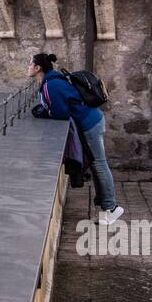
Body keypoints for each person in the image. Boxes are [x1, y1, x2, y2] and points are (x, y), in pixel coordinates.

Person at [29, 53, 124, 225]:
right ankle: (106, 208)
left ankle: (112, 207)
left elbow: (61, 113)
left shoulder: (51, 85)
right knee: (97, 164)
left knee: (99, 164)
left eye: (30, 64)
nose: (28, 67)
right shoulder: (53, 81)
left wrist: (45, 113)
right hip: (92, 121)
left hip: (90, 124)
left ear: (38, 68)